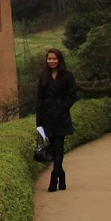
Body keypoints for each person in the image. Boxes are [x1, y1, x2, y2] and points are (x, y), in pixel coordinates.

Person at [36, 47, 78, 192]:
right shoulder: (43, 76)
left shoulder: (67, 76)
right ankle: (61, 173)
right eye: (49, 59)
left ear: (59, 60)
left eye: (54, 59)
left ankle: (55, 175)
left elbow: (73, 95)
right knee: (53, 147)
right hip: (47, 116)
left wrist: (62, 107)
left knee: (59, 145)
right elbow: (39, 99)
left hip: (61, 116)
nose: (52, 61)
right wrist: (39, 123)